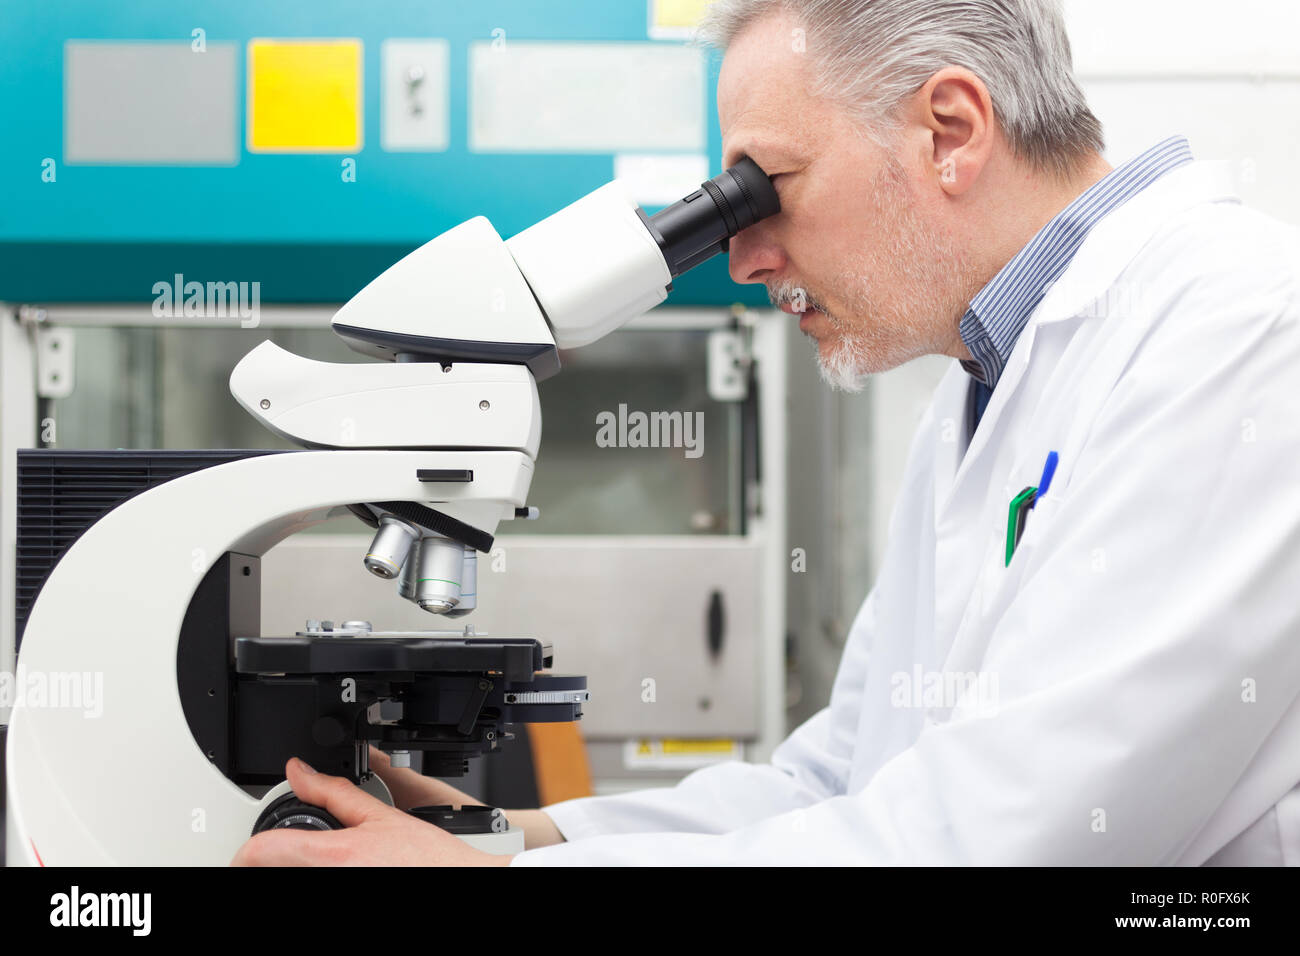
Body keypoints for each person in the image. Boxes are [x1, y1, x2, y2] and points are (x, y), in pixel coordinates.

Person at [233, 0, 1300, 866]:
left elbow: (1006, 833)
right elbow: (835, 782)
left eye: (765, 188)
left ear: (950, 131)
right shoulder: (978, 387)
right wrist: (510, 835)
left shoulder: (1238, 327)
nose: (745, 259)